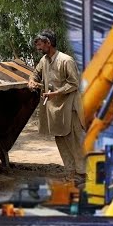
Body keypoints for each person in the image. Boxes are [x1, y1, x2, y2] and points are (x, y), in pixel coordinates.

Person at [28, 29, 86, 183]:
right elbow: (35, 74)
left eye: (41, 45)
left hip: (70, 107)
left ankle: (82, 173)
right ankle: (71, 171)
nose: (39, 49)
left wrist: (55, 93)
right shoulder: (44, 61)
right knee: (60, 139)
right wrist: (32, 81)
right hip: (54, 109)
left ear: (49, 43)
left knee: (74, 139)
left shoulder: (66, 60)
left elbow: (74, 83)